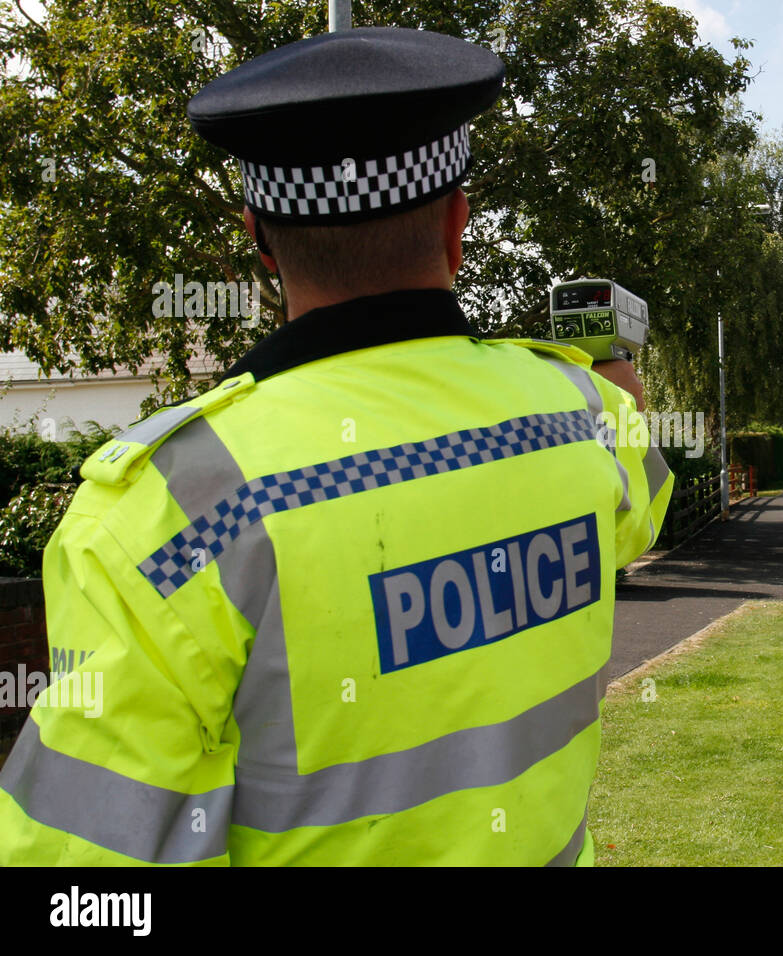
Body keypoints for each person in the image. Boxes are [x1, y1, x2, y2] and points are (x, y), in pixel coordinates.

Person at [0, 26, 671, 866]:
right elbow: (638, 506)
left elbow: (84, 874)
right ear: (458, 223)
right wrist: (620, 385)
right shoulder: (582, 414)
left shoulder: (163, 517)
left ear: (258, 237)